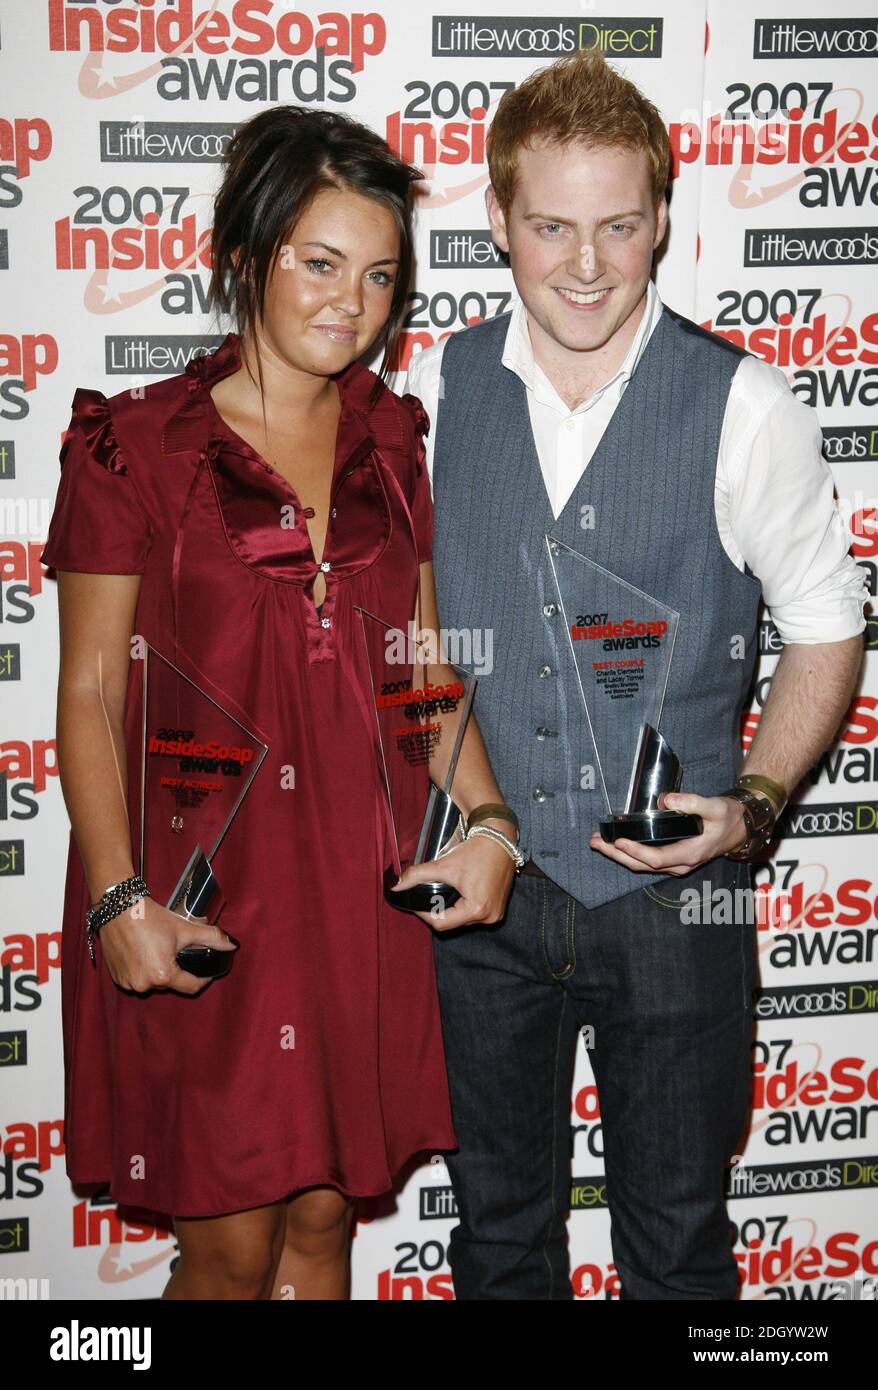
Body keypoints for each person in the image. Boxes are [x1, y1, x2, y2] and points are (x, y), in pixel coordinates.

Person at [403, 50, 868, 1299]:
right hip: (484, 894)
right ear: (497, 219)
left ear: (662, 216)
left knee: (676, 1245)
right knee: (499, 1241)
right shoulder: (430, 390)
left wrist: (755, 806)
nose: (586, 263)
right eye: (550, 226)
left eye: (617, 224)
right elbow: (420, 635)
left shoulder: (743, 402)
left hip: (676, 908)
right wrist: (478, 811)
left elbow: (826, 621)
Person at [40, 106, 519, 1301]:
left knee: (320, 1222)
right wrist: (117, 899)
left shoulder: (390, 437)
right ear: (245, 255)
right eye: (318, 263)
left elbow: (418, 659)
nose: (349, 303)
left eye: (377, 276)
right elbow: (94, 690)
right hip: (202, 892)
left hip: (353, 892)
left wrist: (490, 821)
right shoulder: (134, 447)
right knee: (231, 1242)